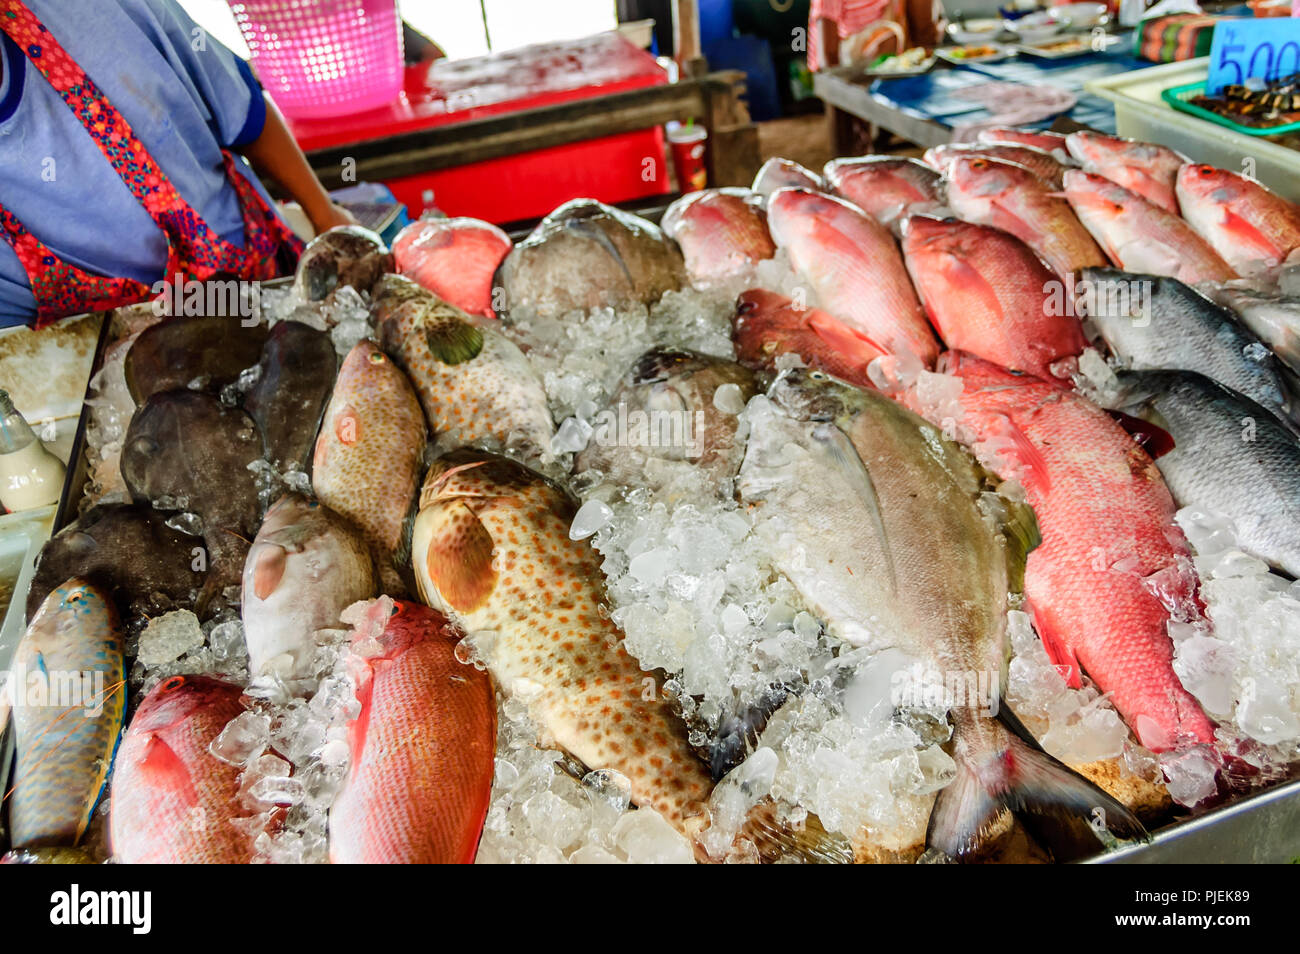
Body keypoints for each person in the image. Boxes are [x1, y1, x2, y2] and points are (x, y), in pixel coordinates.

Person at [0, 0, 355, 328]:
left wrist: (325, 215)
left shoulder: (106, 10)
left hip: (267, 283)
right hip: (100, 359)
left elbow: (244, 110)